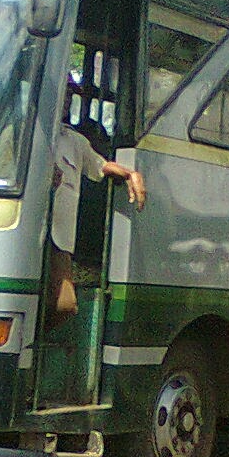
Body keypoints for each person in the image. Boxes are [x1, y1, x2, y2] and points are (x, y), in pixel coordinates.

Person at [47, 110, 146, 330]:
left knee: (66, 304)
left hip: (60, 239)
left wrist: (130, 174)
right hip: (28, 231)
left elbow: (99, 166)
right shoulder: (21, 131)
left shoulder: (73, 140)